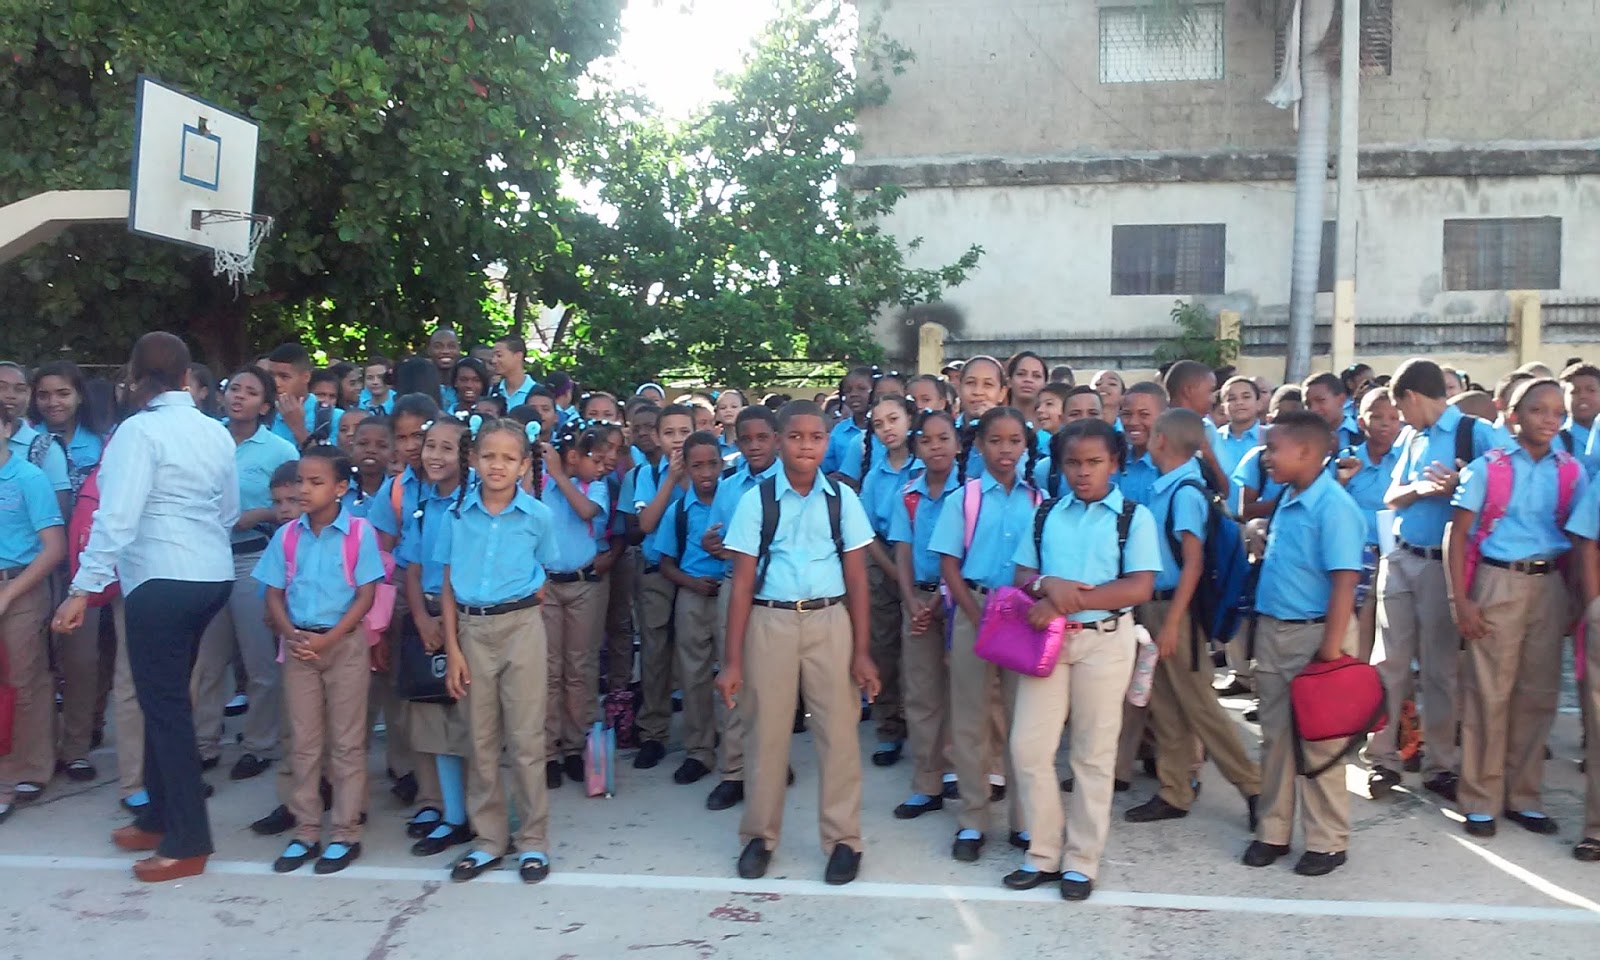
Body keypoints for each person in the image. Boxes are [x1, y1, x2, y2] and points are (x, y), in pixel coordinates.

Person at [53, 332, 237, 883]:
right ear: (186, 377)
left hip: (162, 580)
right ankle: (160, 817)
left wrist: (82, 589)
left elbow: (116, 519)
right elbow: (226, 510)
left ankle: (188, 841)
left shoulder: (138, 431)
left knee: (165, 711)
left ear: (136, 377)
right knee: (168, 702)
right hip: (211, 576)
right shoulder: (214, 431)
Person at [716, 400, 880, 886]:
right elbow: (742, 585)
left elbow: (858, 578)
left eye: (816, 437)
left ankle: (844, 840)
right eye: (795, 436)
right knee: (765, 733)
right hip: (772, 622)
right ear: (778, 439)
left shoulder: (842, 499)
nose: (805, 445)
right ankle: (759, 837)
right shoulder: (756, 500)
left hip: (831, 621)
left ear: (827, 443)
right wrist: (731, 661)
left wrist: (863, 651)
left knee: (839, 734)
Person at [1007, 417, 1158, 901]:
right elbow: (1023, 573)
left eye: (1094, 462)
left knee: (1093, 752)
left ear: (1115, 464)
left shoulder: (1132, 517)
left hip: (1105, 640)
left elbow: (1138, 585)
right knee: (1028, 748)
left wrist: (1063, 598)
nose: (1083, 472)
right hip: (1048, 641)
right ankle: (1043, 852)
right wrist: (1044, 587)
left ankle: (1082, 860)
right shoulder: (1046, 513)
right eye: (1072, 462)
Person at [1449, 378, 1580, 840]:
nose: (1549, 419)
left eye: (1556, 413)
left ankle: (1524, 796)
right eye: (1538, 410)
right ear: (1513, 416)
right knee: (1489, 693)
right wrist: (1461, 600)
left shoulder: (1570, 471)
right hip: (1498, 580)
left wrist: (1576, 600)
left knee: (1537, 695)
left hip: (1550, 585)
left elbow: (1578, 538)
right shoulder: (1490, 467)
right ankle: (1480, 799)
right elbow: (1459, 534)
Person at [1123, 409, 1262, 830]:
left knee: (1201, 708)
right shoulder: (1164, 487)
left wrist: (1170, 624)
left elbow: (1194, 564)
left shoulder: (1183, 492)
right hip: (1153, 605)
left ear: (1162, 440)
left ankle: (1254, 786)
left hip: (1174, 611)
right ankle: (1174, 789)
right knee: (1165, 705)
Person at [1242, 410, 1365, 878]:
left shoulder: (1333, 507)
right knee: (1275, 740)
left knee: (1321, 745)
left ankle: (1327, 840)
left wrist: (1331, 652)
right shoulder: (1285, 499)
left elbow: (1343, 582)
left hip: (1317, 635)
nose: (1266, 457)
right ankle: (1272, 830)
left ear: (1308, 453)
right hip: (1276, 632)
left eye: (1274, 449)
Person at [438, 417, 559, 884]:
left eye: (509, 458)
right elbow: (448, 583)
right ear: (472, 459)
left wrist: (520, 613)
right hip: (471, 630)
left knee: (527, 740)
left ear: (524, 465)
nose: (497, 465)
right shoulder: (456, 514)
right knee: (480, 739)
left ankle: (533, 841)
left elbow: (543, 570)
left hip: (522, 626)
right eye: (489, 456)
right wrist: (453, 647)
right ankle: (489, 839)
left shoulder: (538, 517)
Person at [1370, 359, 1497, 802]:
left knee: (1440, 670)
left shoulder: (1476, 433)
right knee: (1388, 663)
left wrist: (1462, 484)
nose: (1399, 418)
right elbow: (1391, 495)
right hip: (1401, 557)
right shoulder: (1413, 436)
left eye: (1401, 407)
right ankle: (1383, 758)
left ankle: (1441, 762)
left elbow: (1501, 489)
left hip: (1442, 566)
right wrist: (1424, 490)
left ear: (1413, 397)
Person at [255, 445, 384, 875]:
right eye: (300, 483)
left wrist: (329, 639)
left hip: (343, 644)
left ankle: (346, 832)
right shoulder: (287, 536)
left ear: (341, 488)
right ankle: (306, 829)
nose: (304, 491)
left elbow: (366, 594)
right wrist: (293, 634)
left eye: (316, 482)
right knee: (305, 743)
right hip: (299, 646)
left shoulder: (359, 534)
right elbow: (273, 592)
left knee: (346, 743)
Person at [931, 406, 1040, 864]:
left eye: (1014, 441)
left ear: (1025, 447)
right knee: (971, 722)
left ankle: (1023, 819)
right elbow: (948, 565)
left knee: (1023, 723)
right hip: (973, 611)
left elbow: (1041, 563)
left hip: (1022, 618)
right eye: (995, 441)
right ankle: (973, 819)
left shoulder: (1040, 500)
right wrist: (975, 615)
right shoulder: (966, 498)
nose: (1005, 450)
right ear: (978, 447)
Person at [192, 367, 299, 782]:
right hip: (203, 557)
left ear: (266, 405)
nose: (239, 396)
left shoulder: (277, 450)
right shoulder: (204, 436)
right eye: (233, 387)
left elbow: (297, 502)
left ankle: (259, 743)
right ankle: (203, 742)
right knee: (207, 659)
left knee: (258, 660)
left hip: (252, 558)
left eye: (251, 392)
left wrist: (265, 513)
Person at [699, 405, 783, 810]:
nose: (753, 446)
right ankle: (733, 771)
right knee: (731, 674)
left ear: (777, 439)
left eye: (761, 437)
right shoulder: (730, 487)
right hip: (736, 586)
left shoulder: (791, 483)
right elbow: (716, 538)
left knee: (775, 683)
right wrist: (712, 545)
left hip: (779, 590)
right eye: (745, 439)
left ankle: (772, 762)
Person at [400, 417, 476, 857]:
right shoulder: (424, 502)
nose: (434, 455)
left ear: (465, 456)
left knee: (468, 719)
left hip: (463, 618)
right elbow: (411, 566)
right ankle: (449, 812)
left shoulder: (472, 505)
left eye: (447, 448)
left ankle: (468, 813)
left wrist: (447, 628)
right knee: (433, 718)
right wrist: (422, 621)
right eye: (430, 446)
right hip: (428, 616)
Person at [886, 408, 960, 818]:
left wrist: (936, 602)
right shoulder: (909, 495)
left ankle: (958, 771)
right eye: (927, 440)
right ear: (916, 447)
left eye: (943, 438)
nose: (935, 447)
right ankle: (927, 781)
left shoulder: (969, 493)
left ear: (958, 444)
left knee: (961, 690)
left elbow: (966, 554)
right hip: (917, 600)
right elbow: (901, 550)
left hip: (958, 599)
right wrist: (912, 602)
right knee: (921, 692)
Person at [0, 402, 67, 825]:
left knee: (21, 682)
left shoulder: (28, 477)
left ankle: (19, 773)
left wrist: (9, 594)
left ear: (7, 427)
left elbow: (54, 547)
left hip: (19, 584)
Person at [653, 431, 728, 785]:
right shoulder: (678, 510)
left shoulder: (736, 502)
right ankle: (700, 750)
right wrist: (692, 583)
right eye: (697, 465)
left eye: (712, 463)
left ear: (723, 461)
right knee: (694, 676)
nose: (706, 472)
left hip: (732, 594)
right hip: (693, 596)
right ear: (687, 468)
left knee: (737, 674)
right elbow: (665, 564)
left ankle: (740, 750)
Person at [539, 422, 610, 786]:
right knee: (549, 671)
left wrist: (560, 476)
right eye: (595, 459)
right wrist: (549, 475)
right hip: (548, 587)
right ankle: (548, 751)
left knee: (578, 669)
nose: (602, 466)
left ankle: (574, 746)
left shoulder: (595, 487)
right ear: (573, 457)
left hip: (583, 585)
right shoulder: (539, 485)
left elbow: (586, 512)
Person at [627, 404, 696, 771]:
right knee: (654, 655)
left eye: (684, 432)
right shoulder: (647, 474)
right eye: (669, 433)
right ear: (656, 437)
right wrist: (670, 479)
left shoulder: (707, 471)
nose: (677, 440)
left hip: (693, 573)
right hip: (656, 573)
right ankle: (653, 732)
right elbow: (647, 523)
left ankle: (701, 733)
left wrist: (687, 478)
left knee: (695, 657)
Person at [859, 395, 919, 766]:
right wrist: (892, 570)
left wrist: (909, 572)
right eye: (879, 424)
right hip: (882, 560)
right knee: (883, 645)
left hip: (922, 558)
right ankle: (889, 729)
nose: (887, 429)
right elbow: (866, 532)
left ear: (909, 419)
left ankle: (922, 724)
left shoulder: (925, 463)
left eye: (893, 419)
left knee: (919, 647)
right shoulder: (874, 474)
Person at [1332, 389, 1402, 662]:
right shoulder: (1347, 459)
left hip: (1393, 553)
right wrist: (1343, 480)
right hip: (1355, 553)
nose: (1386, 424)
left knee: (1390, 619)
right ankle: (1357, 672)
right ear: (1361, 422)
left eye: (1394, 417)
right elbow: (1331, 503)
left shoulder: (1404, 459)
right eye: (1377, 417)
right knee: (1356, 619)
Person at [1116, 382, 1167, 505]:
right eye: (1126, 414)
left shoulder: (1172, 464)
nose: (1133, 422)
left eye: (1144, 415)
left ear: (1164, 417)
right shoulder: (1115, 460)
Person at [820, 366, 874, 480]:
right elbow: (826, 467)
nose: (853, 394)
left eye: (862, 388)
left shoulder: (884, 429)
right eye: (848, 391)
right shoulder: (839, 430)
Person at [1211, 375, 1263, 479]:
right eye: (1231, 398)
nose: (1239, 402)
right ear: (1223, 408)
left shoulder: (1269, 436)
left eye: (1246, 397)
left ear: (1258, 404)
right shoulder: (1215, 438)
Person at [1005, 351, 1048, 424]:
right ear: (1009, 381)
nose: (1028, 380)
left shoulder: (1052, 424)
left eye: (1036, 376)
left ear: (1045, 384)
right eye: (1021, 374)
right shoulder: (996, 419)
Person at [428, 328, 461, 410]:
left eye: (452, 346)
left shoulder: (468, 385)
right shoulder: (421, 385)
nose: (445, 351)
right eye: (438, 347)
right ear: (429, 350)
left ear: (459, 349)